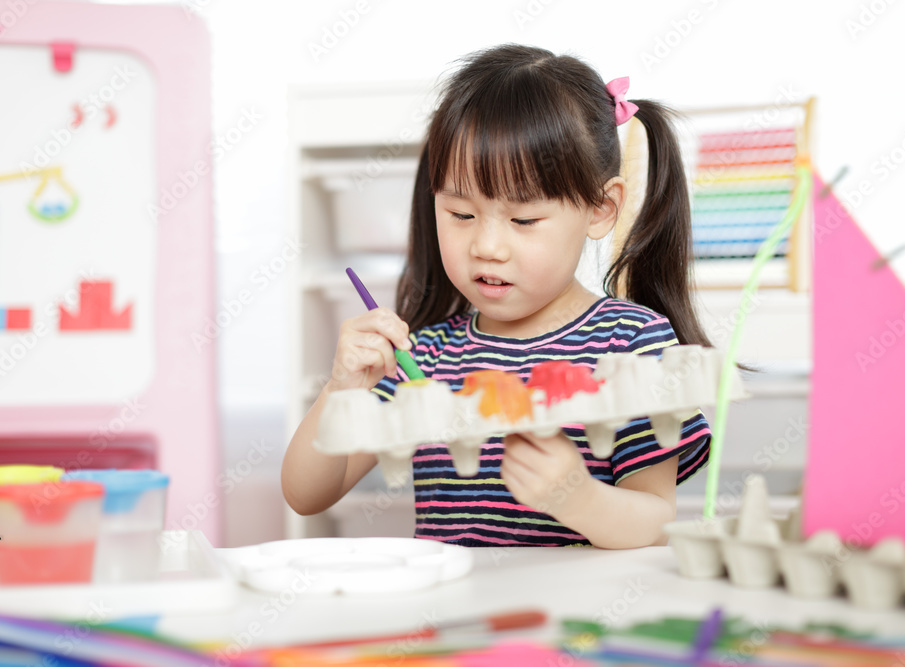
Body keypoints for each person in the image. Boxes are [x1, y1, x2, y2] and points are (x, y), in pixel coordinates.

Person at [282, 43, 712, 548]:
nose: (486, 247)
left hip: (577, 622)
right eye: (461, 214)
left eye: (523, 219)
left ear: (600, 208)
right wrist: (341, 391)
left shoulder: (631, 345)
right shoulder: (423, 358)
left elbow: (656, 521)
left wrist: (577, 497)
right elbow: (307, 494)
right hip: (454, 622)